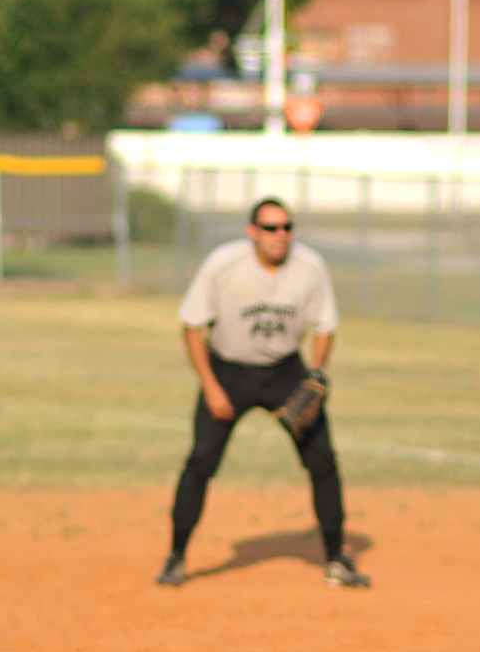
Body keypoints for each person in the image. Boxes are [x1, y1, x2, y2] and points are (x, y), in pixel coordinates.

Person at [156, 197, 370, 589]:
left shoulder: (310, 267)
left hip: (286, 372)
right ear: (252, 232)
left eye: (287, 227)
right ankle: (176, 557)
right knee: (201, 461)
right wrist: (211, 386)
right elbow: (191, 326)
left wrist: (317, 374)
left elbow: (325, 326)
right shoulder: (224, 265)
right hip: (228, 371)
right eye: (270, 228)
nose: (280, 236)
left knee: (323, 462)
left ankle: (337, 560)